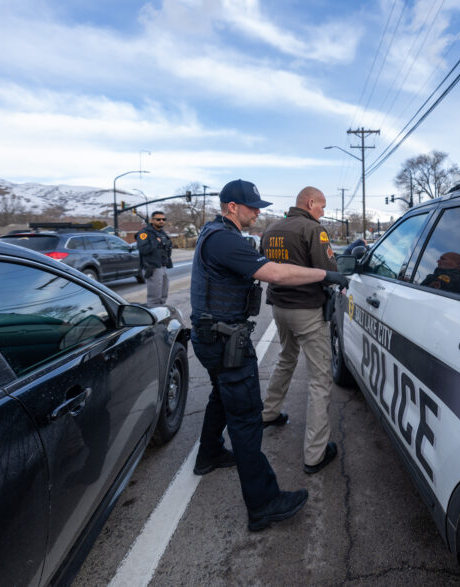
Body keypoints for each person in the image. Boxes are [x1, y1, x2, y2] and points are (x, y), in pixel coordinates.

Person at [189, 179, 349, 532]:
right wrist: (328, 273)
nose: (258, 212)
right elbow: (274, 272)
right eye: (251, 207)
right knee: (246, 419)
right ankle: (266, 501)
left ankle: (210, 453)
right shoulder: (226, 239)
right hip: (229, 337)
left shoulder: (216, 233)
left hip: (224, 332)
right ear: (232, 207)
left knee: (223, 392)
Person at [259, 187, 339, 474]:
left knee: (286, 357)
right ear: (310, 202)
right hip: (306, 310)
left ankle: (268, 413)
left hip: (279, 309)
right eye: (322, 206)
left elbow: (264, 265)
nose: (323, 212)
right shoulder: (313, 229)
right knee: (320, 378)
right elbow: (328, 269)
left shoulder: (271, 229)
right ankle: (315, 454)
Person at [136, 211, 174, 306]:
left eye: (163, 219)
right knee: (154, 298)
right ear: (152, 220)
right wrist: (156, 242)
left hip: (163, 266)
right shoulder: (144, 233)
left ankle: (161, 314)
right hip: (153, 267)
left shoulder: (162, 233)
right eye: (158, 219)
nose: (161, 221)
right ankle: (153, 317)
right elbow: (143, 249)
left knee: (163, 295)